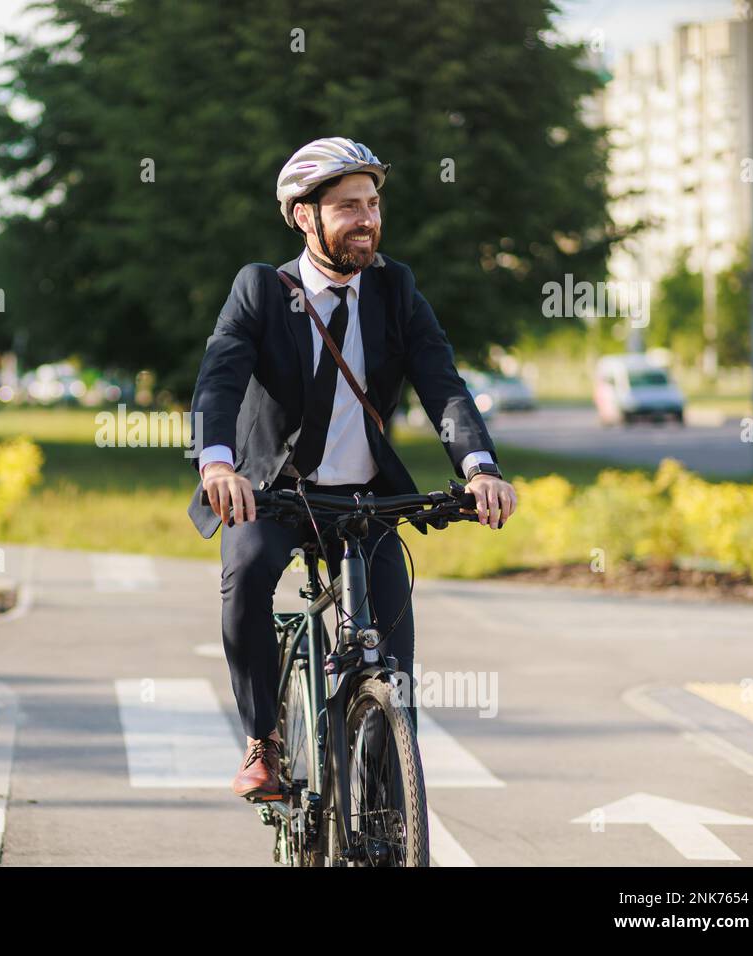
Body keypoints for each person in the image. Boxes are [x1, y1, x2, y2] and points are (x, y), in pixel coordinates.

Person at [186, 138, 518, 799]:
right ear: (305, 216)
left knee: (393, 665)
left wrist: (479, 466)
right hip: (273, 494)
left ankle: (384, 805)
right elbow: (219, 378)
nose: (367, 219)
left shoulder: (396, 289)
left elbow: (441, 382)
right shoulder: (259, 289)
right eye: (347, 207)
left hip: (366, 501)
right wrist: (218, 464)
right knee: (248, 575)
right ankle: (263, 740)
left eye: (372, 203)